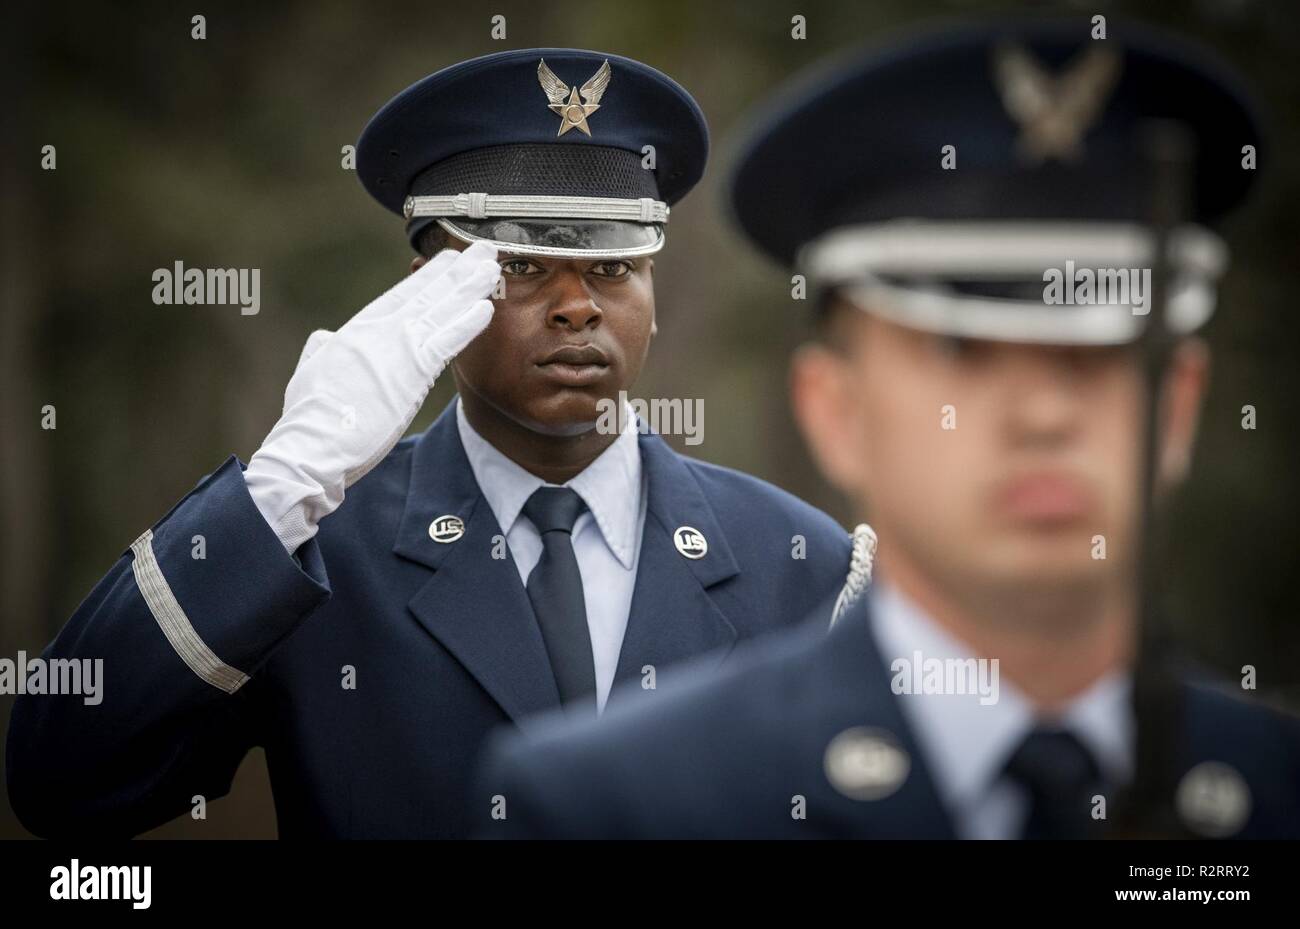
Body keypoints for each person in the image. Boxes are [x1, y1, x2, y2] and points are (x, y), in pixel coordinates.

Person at [477, 20, 1300, 839]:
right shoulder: (613, 808)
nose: (1044, 414)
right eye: (963, 350)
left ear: (1181, 403)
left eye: (1097, 352)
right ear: (836, 410)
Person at [6, 48, 852, 838]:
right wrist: (279, 486)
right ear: (426, 293)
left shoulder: (800, 563)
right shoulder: (311, 549)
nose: (577, 305)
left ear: (654, 290)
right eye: (520, 266)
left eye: (612, 266)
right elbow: (61, 780)